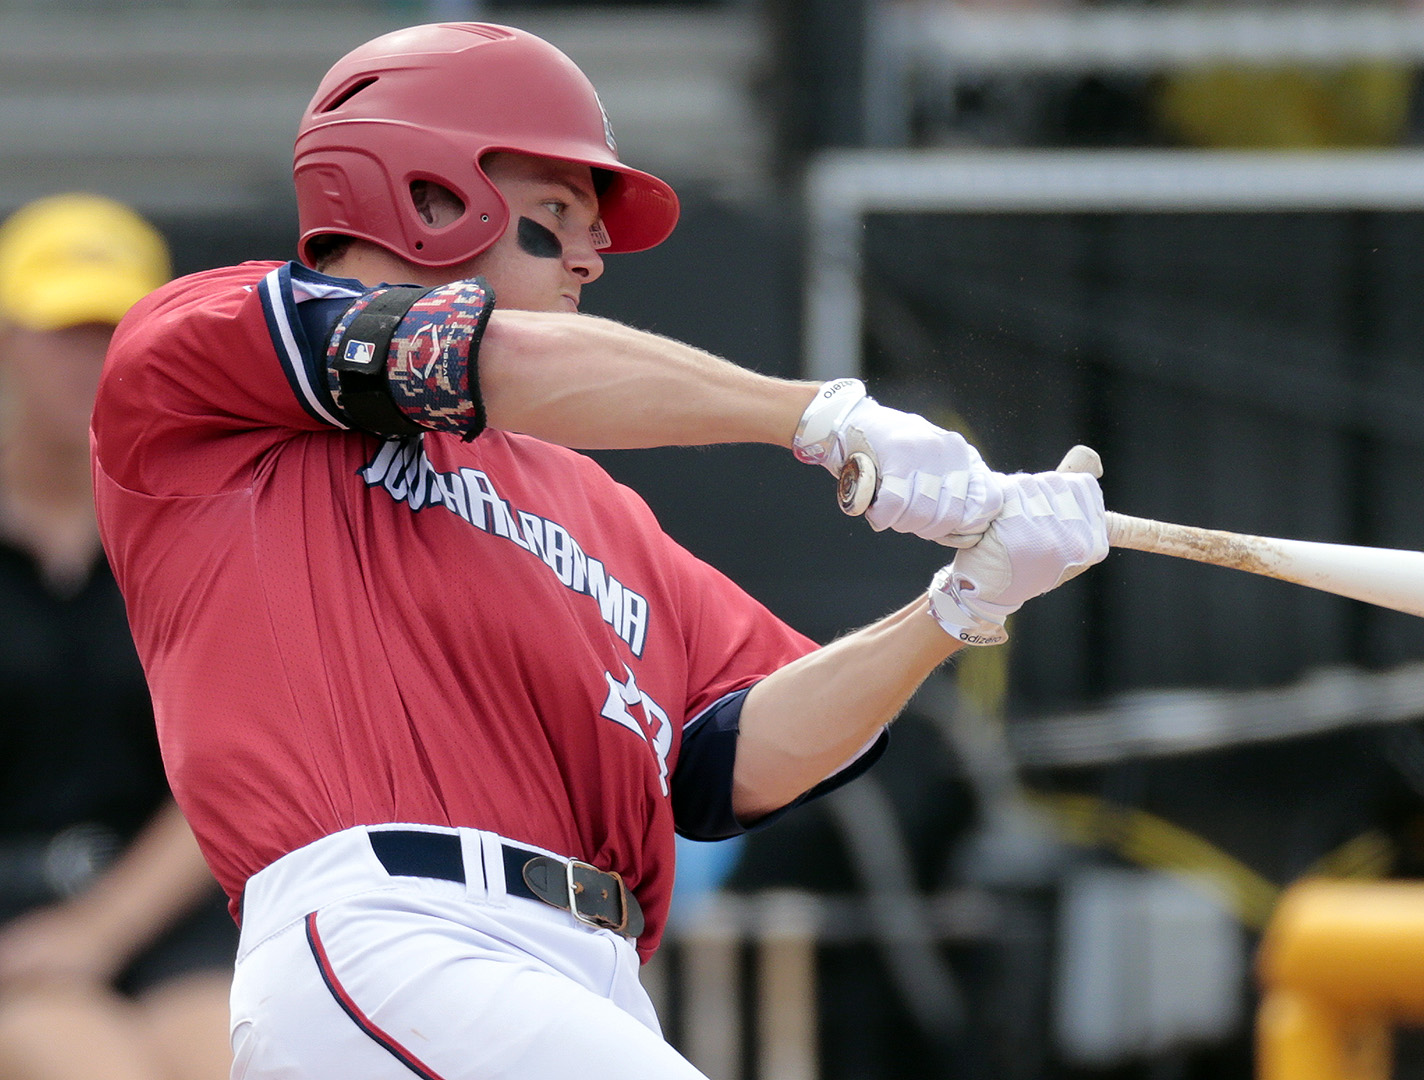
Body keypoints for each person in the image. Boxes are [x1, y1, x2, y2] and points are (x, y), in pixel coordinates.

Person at [90, 22, 1106, 1080]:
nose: (592, 253)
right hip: (397, 932)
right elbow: (475, 354)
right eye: (557, 214)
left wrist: (956, 607)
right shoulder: (203, 348)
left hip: (590, 976)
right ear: (426, 198)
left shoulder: (598, 509)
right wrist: (819, 415)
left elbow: (732, 761)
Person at [0, 194, 234, 1080]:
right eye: (62, 330)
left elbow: (226, 763)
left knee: (233, 1061)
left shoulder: (200, 540)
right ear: (7, 342)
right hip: (10, 929)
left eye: (112, 332)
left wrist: (99, 929)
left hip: (169, 922)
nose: (87, 362)